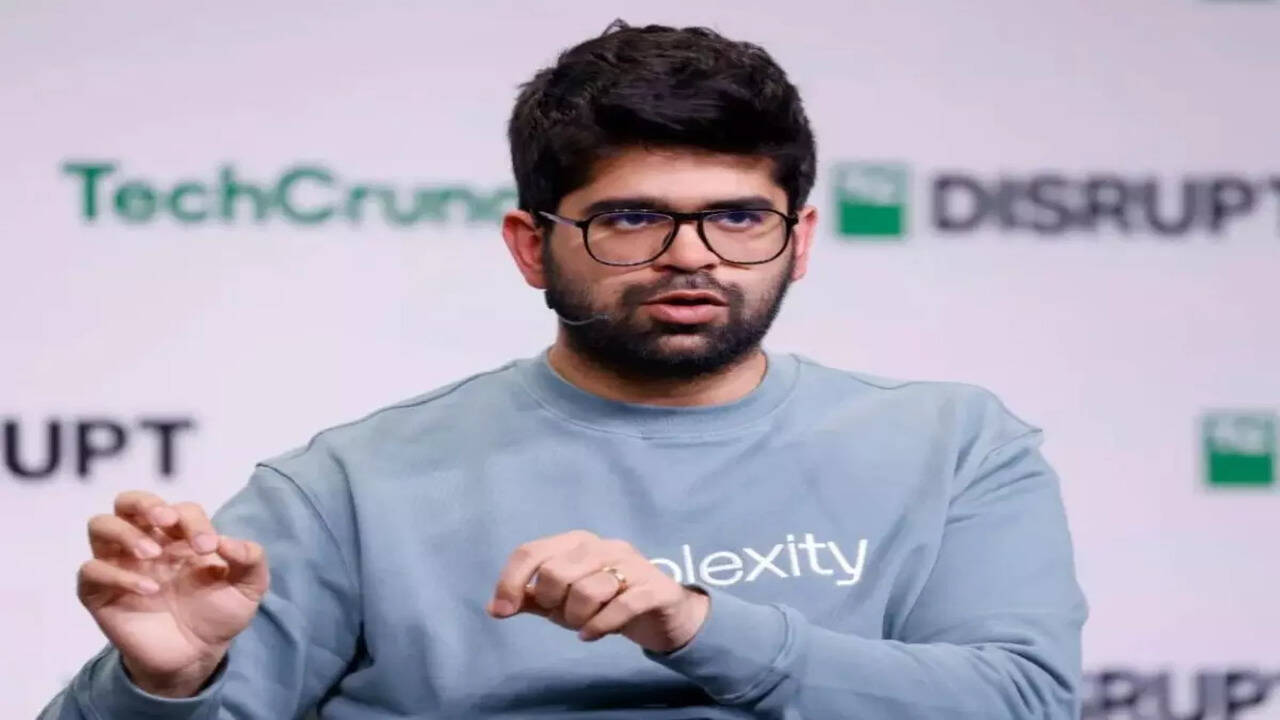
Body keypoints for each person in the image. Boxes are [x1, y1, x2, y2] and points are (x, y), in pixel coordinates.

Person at [39, 19, 1087, 719]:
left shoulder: (952, 445)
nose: (690, 255)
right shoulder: (351, 486)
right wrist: (161, 684)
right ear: (531, 245)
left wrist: (694, 625)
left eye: (737, 217)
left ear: (799, 240)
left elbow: (1021, 702)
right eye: (631, 217)